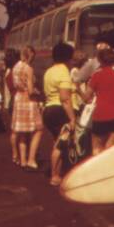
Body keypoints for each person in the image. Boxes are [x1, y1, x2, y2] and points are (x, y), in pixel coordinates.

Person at [82, 47, 114, 155]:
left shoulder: (96, 76)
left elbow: (86, 97)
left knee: (97, 145)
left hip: (101, 114)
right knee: (110, 146)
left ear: (100, 60)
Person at [43, 42, 78, 187]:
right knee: (60, 144)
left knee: (58, 143)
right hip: (60, 112)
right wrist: (72, 118)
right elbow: (64, 98)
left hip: (48, 110)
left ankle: (57, 174)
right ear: (68, 57)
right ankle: (54, 175)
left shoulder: (49, 71)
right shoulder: (63, 72)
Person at [12, 46, 44, 171]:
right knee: (38, 129)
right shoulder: (28, 69)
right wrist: (38, 92)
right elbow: (30, 90)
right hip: (28, 101)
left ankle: (23, 161)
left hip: (18, 98)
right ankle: (31, 160)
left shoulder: (16, 67)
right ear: (30, 55)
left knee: (22, 132)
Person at [3, 48, 20, 165]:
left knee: (14, 130)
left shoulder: (7, 72)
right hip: (18, 100)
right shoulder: (16, 71)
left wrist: (6, 104)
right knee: (19, 130)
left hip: (11, 101)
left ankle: (15, 154)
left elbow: (6, 92)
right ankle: (18, 153)